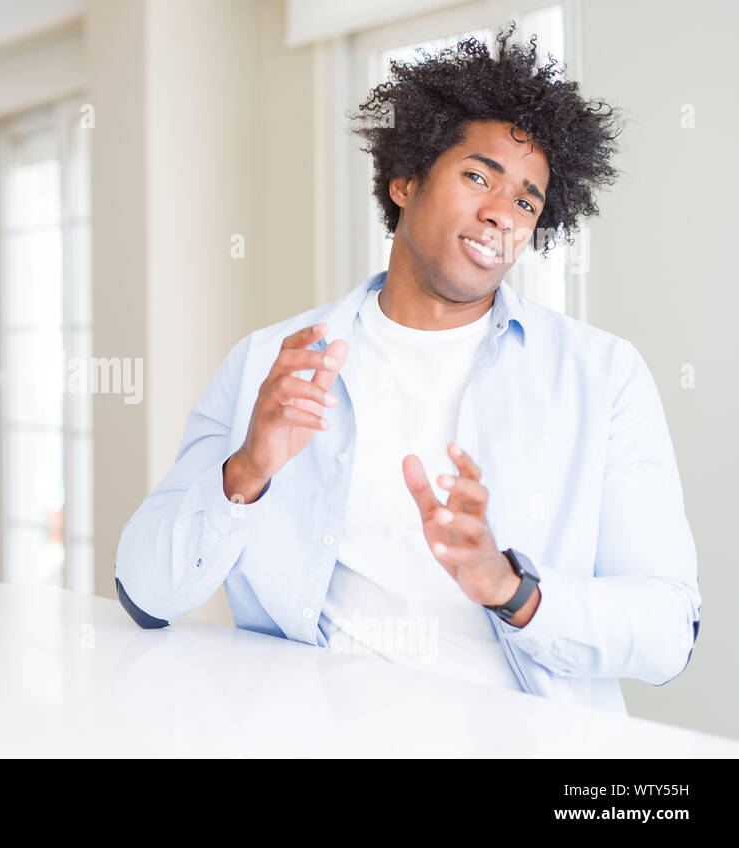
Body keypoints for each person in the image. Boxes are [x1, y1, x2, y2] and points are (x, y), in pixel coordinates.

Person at [113, 24, 700, 715]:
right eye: (478, 175)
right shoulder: (267, 366)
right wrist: (245, 473)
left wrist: (512, 589)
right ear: (406, 178)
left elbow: (668, 632)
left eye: (525, 200)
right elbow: (146, 593)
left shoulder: (602, 377)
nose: (498, 214)